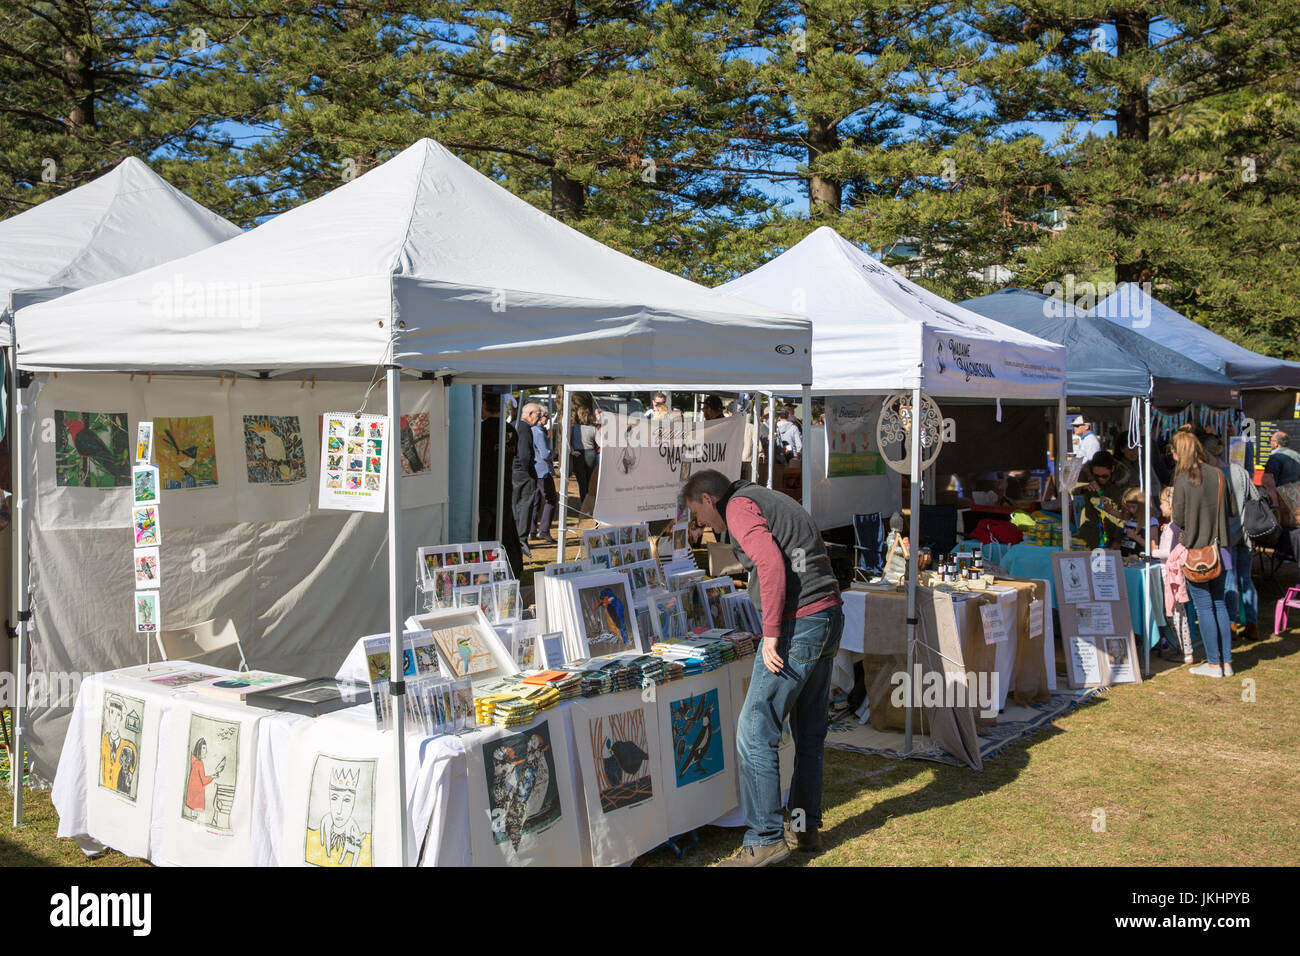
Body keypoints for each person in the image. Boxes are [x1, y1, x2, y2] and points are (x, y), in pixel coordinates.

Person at [682, 469, 843, 866]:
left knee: (755, 730)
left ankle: (766, 839)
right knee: (808, 732)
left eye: (697, 513)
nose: (700, 523)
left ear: (708, 499)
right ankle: (804, 827)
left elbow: (770, 564)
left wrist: (770, 634)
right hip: (826, 614)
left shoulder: (737, 506)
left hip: (799, 622)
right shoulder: (764, 498)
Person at [1171, 430, 1236, 678]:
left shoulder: (1182, 480)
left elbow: (1177, 518)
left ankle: (1212, 664)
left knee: (1204, 607)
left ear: (1179, 453)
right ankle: (1226, 662)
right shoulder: (1218, 474)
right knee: (1218, 603)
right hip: (1220, 549)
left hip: (1196, 552)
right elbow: (1230, 510)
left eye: (1174, 452)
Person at [1204, 435, 1259, 642]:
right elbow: (1255, 497)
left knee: (1230, 582)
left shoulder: (1212, 475)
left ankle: (1231, 625)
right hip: (1246, 534)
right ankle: (1252, 624)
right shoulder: (1240, 471)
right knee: (1245, 580)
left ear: (1208, 454)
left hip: (1226, 535)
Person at [479, 393, 524, 576]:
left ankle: (489, 571)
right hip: (504, 489)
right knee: (506, 534)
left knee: (486, 535)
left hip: (483, 491)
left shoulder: (481, 430)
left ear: (483, 405)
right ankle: (513, 569)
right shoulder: (510, 431)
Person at [1150, 485, 1194, 664]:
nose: (1160, 507)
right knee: (1177, 613)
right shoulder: (1176, 527)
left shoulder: (1172, 528)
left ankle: (1186, 651)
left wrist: (1152, 552)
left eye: (1162, 503)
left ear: (1170, 504)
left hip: (1169, 574)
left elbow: (1168, 552)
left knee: (1175, 614)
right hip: (1174, 573)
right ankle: (1185, 649)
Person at [1071, 451, 1129, 549]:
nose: (1100, 479)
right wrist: (1084, 486)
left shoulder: (1123, 483)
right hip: (1089, 528)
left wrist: (1118, 539)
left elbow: (1125, 514)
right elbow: (1069, 487)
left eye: (1104, 476)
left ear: (1113, 469)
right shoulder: (1085, 475)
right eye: (1096, 476)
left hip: (1113, 529)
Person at [511, 402, 542, 556]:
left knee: (518, 505)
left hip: (517, 471)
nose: (540, 418)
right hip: (523, 473)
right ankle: (521, 539)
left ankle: (519, 538)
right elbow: (524, 455)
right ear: (529, 414)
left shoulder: (515, 425)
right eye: (538, 414)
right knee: (524, 506)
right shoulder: (524, 428)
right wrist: (527, 468)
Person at [531, 409, 558, 544]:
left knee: (535, 500)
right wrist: (555, 452)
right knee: (551, 499)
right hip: (542, 470)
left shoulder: (533, 430)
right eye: (545, 416)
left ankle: (531, 530)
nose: (547, 419)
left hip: (536, 469)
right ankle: (544, 529)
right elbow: (545, 454)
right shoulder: (539, 432)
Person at [184, 737, 226, 822]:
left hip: (193, 795)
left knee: (193, 818)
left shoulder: (195, 762)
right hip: (196, 796)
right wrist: (213, 777)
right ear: (198, 748)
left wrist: (211, 776)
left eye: (205, 749)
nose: (205, 751)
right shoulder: (199, 763)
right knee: (195, 820)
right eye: (203, 748)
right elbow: (203, 780)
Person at [570, 399, 600, 506]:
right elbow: (600, 443)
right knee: (591, 481)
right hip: (590, 454)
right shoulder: (593, 429)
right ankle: (592, 503)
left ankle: (584, 504)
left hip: (578, 454)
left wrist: (572, 451)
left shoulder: (573, 428)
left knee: (581, 481)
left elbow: (568, 443)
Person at [1119, 487, 1159, 557]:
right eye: (1128, 507)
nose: (1131, 510)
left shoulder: (1151, 522)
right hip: (1125, 559)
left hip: (1141, 562)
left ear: (1142, 506)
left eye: (1133, 507)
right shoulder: (1129, 519)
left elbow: (1153, 549)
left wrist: (1135, 537)